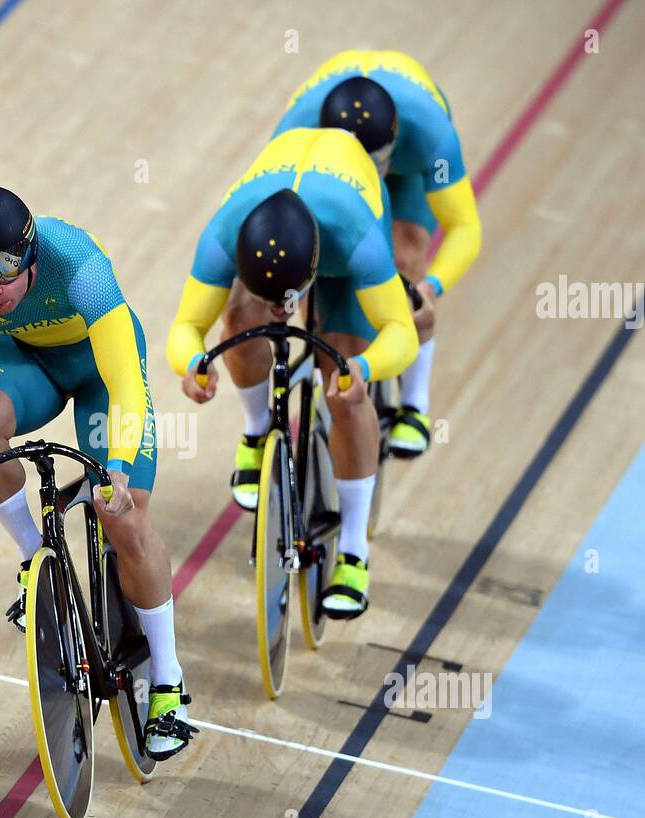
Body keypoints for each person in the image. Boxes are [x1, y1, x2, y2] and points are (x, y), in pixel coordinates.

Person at [0, 186, 195, 759]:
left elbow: (124, 382)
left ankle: (169, 680)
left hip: (101, 370)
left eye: (0, 269)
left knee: (124, 518)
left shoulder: (80, 265)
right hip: (30, 362)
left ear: (29, 253)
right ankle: (34, 560)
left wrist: (119, 468)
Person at [166, 128, 422, 618]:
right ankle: (258, 430)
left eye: (290, 299)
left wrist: (364, 367)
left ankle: (352, 550)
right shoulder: (223, 236)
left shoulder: (356, 239)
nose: (283, 312)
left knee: (344, 380)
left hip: (349, 200)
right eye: (273, 299)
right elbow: (186, 327)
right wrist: (193, 364)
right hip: (282, 207)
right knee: (240, 322)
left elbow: (401, 332)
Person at [275, 50, 482, 457]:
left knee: (404, 256)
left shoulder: (428, 134)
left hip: (404, 171)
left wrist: (430, 286)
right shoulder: (297, 130)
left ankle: (415, 404)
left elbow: (465, 228)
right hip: (327, 172)